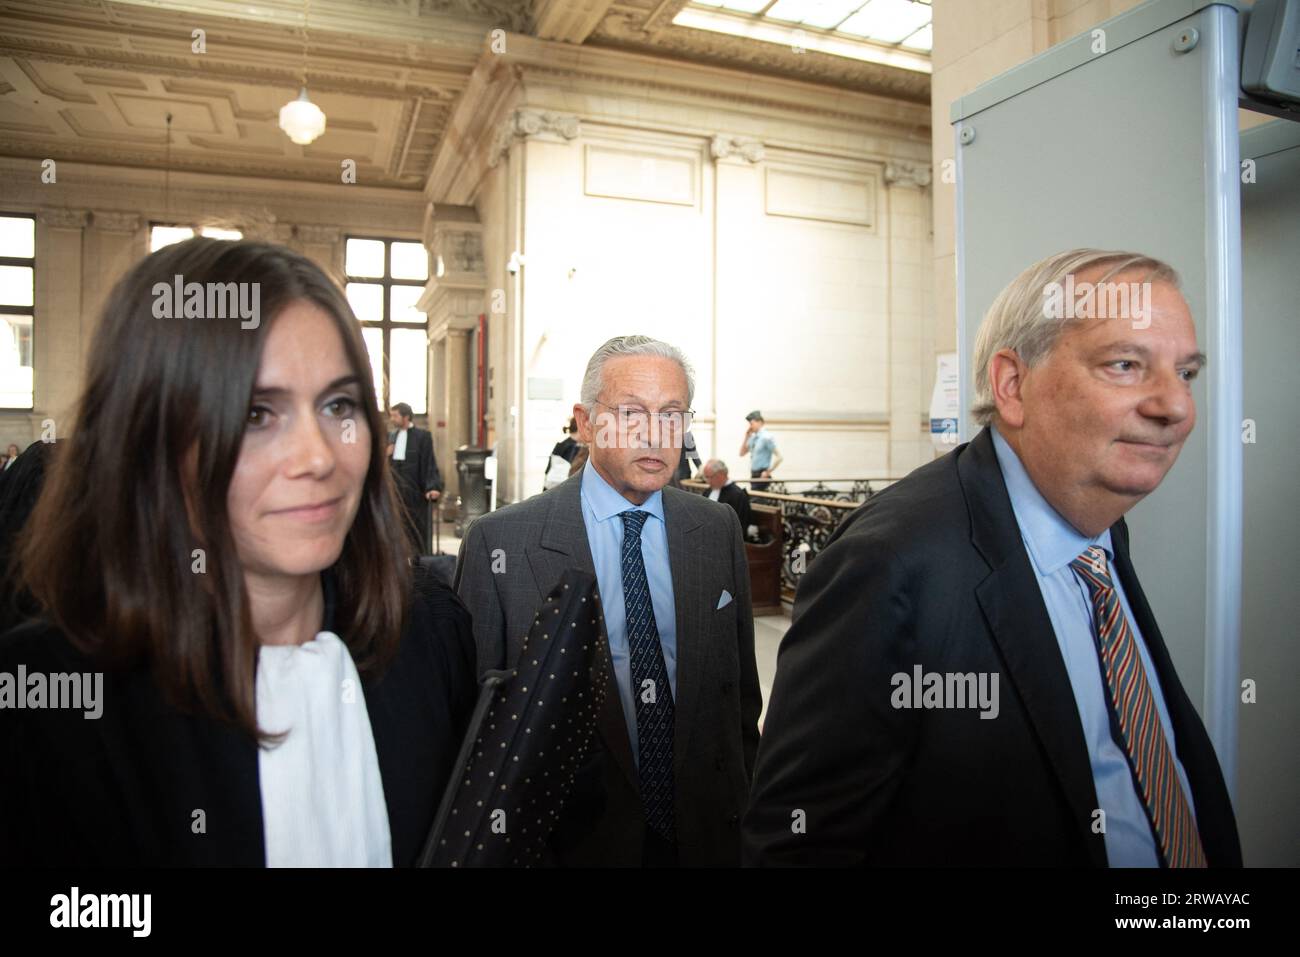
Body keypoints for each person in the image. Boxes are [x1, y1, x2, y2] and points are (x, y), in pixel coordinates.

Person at [744, 249, 1241, 867]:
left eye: (1186, 373)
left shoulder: (1098, 516)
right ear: (1013, 385)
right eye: (1124, 365)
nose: (1176, 406)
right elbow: (799, 844)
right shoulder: (891, 564)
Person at [0, 238, 478, 866]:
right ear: (149, 439)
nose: (318, 456)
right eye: (256, 413)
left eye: (339, 405)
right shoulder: (46, 701)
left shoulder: (428, 636)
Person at [454, 334, 761, 867]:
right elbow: (473, 742)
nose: (655, 434)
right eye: (630, 412)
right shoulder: (501, 544)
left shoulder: (715, 529)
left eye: (672, 414)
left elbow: (739, 708)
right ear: (585, 422)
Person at [388, 402, 443, 556]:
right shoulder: (390, 436)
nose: (392, 419)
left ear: (406, 417)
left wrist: (432, 486)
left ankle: (421, 563)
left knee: (417, 530)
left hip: (415, 492)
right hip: (396, 492)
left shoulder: (423, 437)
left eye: (395, 415)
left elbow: (429, 463)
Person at [701, 458, 752, 533]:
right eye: (706, 477)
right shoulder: (708, 491)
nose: (708, 481)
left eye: (709, 477)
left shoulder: (737, 495)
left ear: (721, 474)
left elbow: (740, 524)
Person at [738, 411, 781, 491]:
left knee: (758, 499)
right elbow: (741, 453)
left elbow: (779, 457)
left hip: (762, 474)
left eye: (752, 424)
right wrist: (746, 437)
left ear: (760, 422)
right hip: (754, 474)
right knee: (756, 498)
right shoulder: (753, 438)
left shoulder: (766, 437)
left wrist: (768, 472)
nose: (750, 427)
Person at [544, 417, 581, 490]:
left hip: (549, 486)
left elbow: (548, 469)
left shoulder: (561, 444)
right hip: (560, 488)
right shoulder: (573, 447)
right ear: (580, 428)